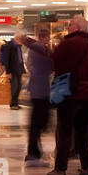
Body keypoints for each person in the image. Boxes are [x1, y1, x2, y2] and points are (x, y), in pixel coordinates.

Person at [49, 16, 88, 175]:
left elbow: (56, 64)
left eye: (70, 25)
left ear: (77, 28)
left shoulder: (67, 44)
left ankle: (60, 169)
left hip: (70, 93)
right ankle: (86, 167)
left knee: (64, 131)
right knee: (84, 133)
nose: (68, 27)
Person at [17, 23, 54, 166]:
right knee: (38, 122)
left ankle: (34, 153)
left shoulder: (39, 49)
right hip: (40, 90)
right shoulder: (38, 50)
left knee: (38, 122)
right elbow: (48, 65)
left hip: (40, 89)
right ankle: (33, 154)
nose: (47, 40)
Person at [0, 34, 24, 109]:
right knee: (15, 86)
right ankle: (13, 104)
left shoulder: (18, 46)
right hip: (12, 70)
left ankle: (15, 103)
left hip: (19, 69)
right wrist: (8, 71)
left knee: (19, 86)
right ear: (18, 38)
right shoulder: (9, 46)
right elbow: (6, 59)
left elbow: (20, 58)